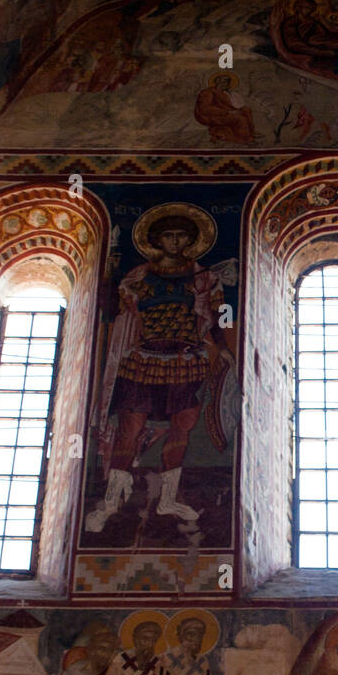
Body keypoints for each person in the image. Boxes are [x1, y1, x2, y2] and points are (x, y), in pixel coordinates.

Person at [87, 213, 226, 531]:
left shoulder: (204, 278)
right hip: (144, 360)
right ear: (156, 241)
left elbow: (219, 315)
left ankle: (168, 500)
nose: (175, 241)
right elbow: (112, 311)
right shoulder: (137, 276)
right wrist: (109, 275)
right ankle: (109, 502)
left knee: (181, 430)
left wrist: (225, 347)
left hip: (186, 360)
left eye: (181, 235)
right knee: (129, 431)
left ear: (191, 240)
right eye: (168, 235)